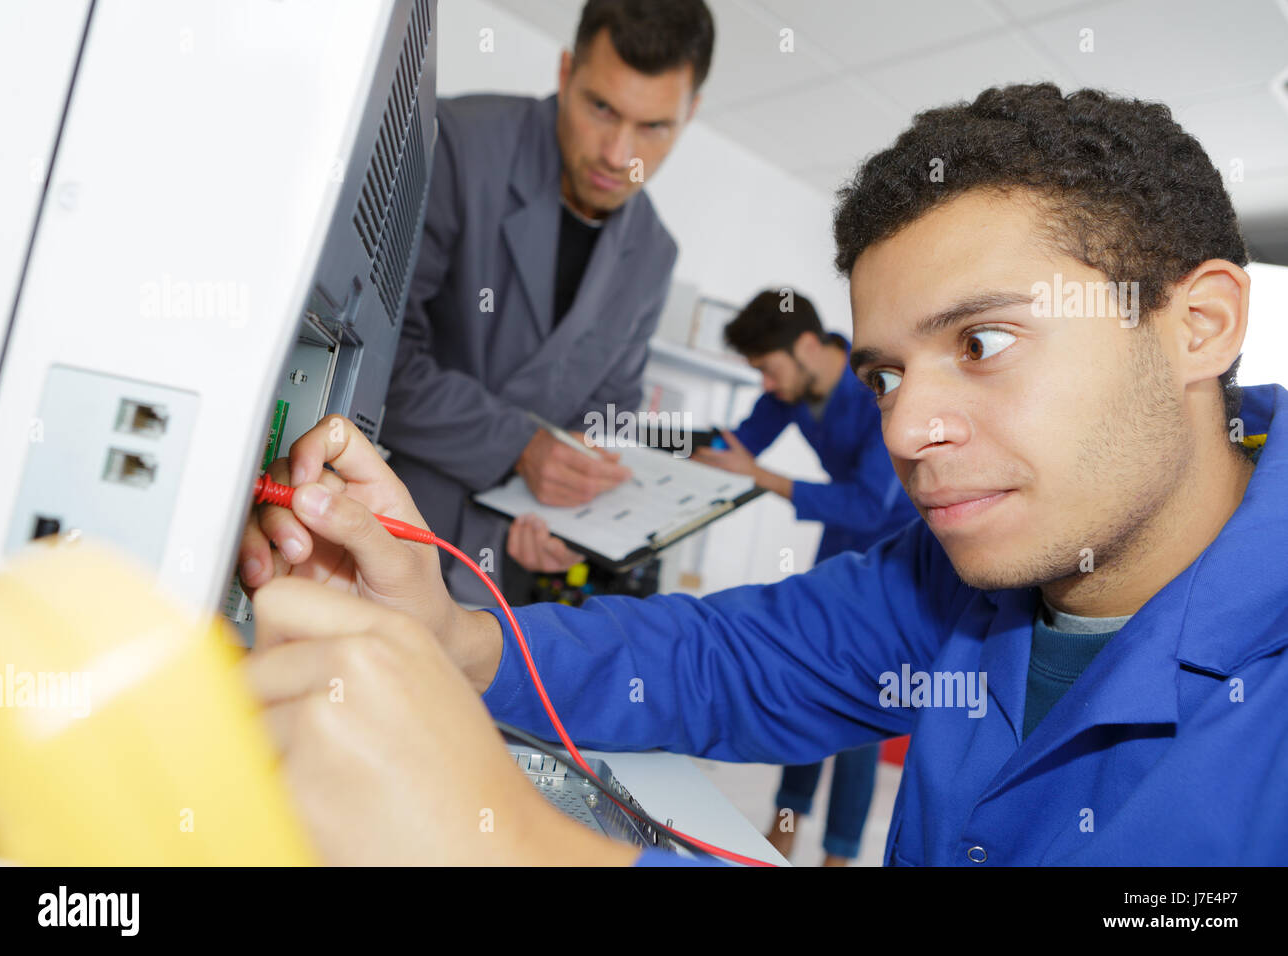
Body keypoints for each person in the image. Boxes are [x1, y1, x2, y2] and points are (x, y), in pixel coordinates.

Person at [238, 83, 1288, 865]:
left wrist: (524, 843)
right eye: (885, 373)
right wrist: (452, 633)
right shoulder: (968, 579)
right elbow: (725, 658)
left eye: (982, 342)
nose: (908, 425)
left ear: (1197, 326)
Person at [370, 0, 714, 604]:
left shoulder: (655, 253)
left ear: (690, 116)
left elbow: (608, 415)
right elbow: (380, 359)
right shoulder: (457, 143)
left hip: (498, 573)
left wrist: (575, 511)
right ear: (564, 73)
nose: (616, 153)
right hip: (384, 516)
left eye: (654, 127)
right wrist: (521, 450)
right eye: (600, 107)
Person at [693, 289, 917, 865]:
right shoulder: (791, 388)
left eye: (768, 369)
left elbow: (871, 504)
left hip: (897, 553)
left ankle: (838, 856)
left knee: (864, 708)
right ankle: (782, 830)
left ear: (809, 346)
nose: (767, 384)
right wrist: (666, 443)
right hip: (840, 545)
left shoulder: (877, 386)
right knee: (813, 684)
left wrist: (761, 475)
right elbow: (740, 445)